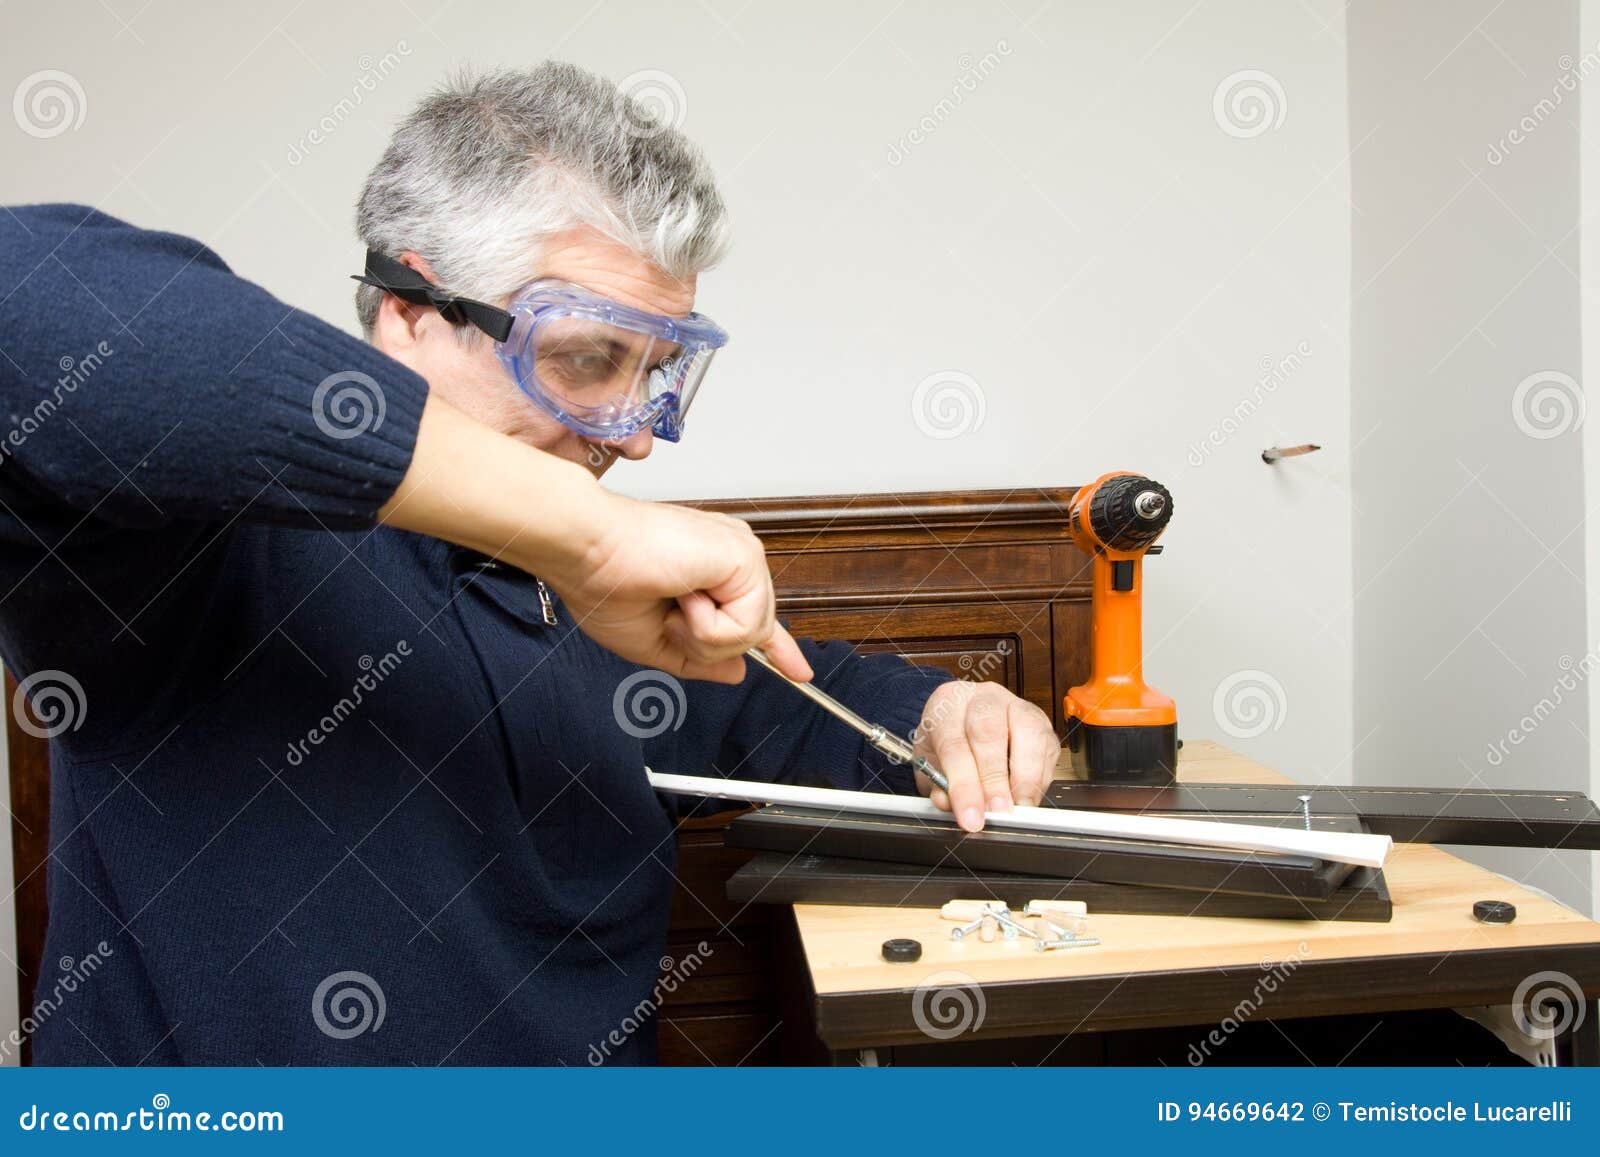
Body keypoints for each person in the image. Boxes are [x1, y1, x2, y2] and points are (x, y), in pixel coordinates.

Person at [0, 61, 1058, 1065]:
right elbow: (29, 302)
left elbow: (794, 703)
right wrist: (591, 531)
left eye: (657, 372)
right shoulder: (187, 546)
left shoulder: (605, 606)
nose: (632, 434)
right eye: (589, 356)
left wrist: (944, 715)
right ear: (410, 309)